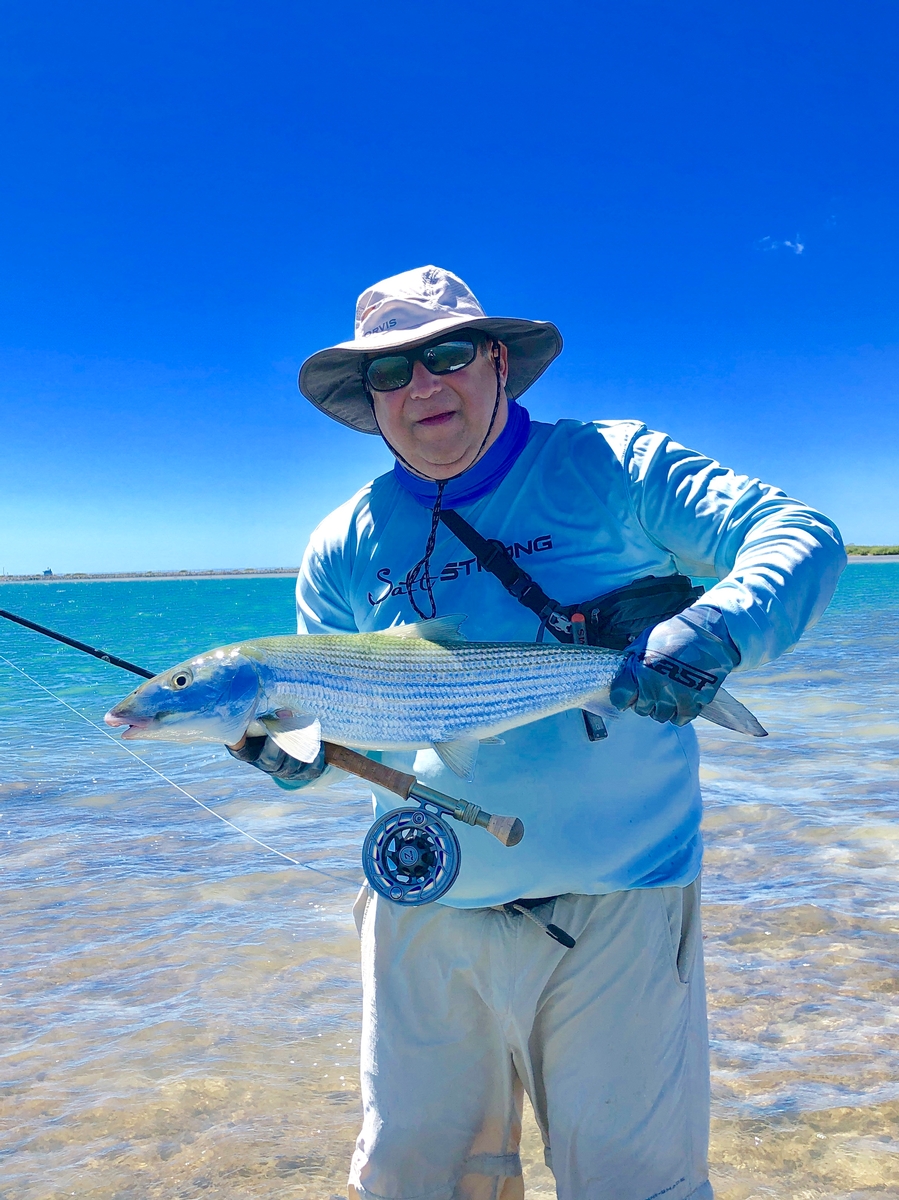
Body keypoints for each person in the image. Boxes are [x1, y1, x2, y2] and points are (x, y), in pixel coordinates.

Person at [228, 266, 845, 1200]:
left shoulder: (612, 465)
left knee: (634, 1188)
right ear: (368, 399)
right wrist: (295, 759)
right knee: (413, 1186)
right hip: (421, 916)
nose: (421, 387)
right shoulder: (343, 542)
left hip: (620, 907)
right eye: (390, 374)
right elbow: (355, 735)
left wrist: (717, 631)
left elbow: (797, 533)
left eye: (444, 356)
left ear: (497, 364)